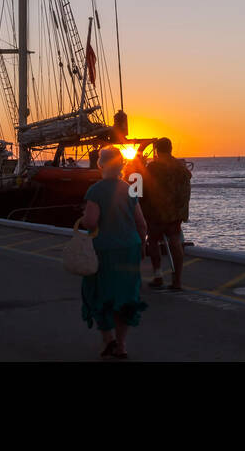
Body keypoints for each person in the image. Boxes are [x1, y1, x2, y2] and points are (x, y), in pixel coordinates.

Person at [78, 146, 148, 358]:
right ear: (121, 165)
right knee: (126, 296)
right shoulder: (129, 188)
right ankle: (122, 345)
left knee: (101, 294)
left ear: (101, 164)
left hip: (105, 251)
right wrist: (142, 246)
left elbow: (91, 222)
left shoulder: (95, 191)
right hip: (129, 248)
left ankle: (108, 340)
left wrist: (81, 219)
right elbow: (141, 224)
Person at [143, 137, 192, 290]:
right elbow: (185, 191)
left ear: (157, 150)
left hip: (156, 213)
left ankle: (158, 276)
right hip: (176, 213)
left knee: (153, 242)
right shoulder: (181, 166)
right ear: (170, 148)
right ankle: (177, 280)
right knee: (175, 242)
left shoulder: (153, 167)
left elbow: (143, 188)